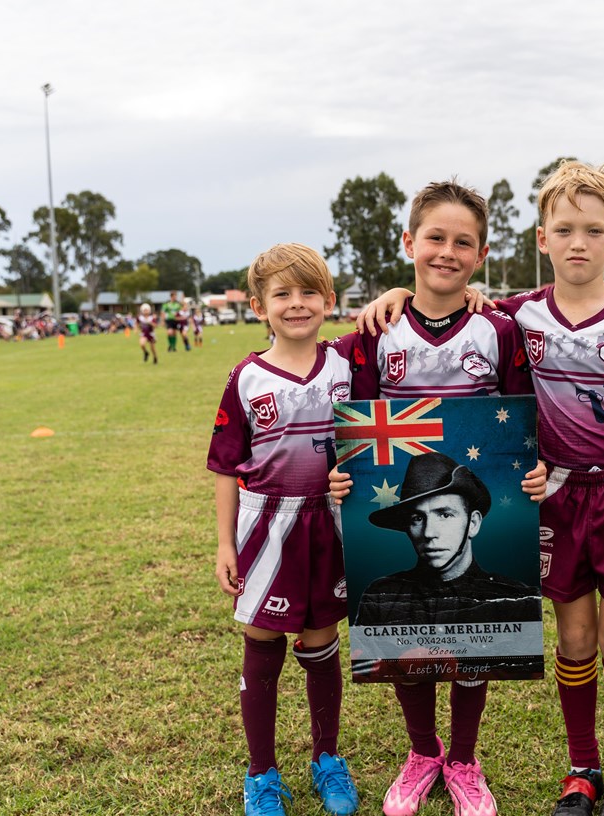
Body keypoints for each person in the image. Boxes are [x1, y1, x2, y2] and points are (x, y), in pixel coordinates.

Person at [361, 161, 604, 816]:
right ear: (542, 239)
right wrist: (396, 295)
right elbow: (446, 301)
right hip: (555, 495)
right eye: (564, 230)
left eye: (594, 231)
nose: (579, 242)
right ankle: (581, 770)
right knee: (573, 639)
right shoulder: (516, 316)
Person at [330, 179, 546, 816]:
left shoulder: (499, 330)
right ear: (409, 242)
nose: (447, 252)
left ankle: (465, 760)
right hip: (411, 494)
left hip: (470, 500)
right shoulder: (377, 331)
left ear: (481, 254)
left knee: (476, 641)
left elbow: (520, 426)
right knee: (408, 637)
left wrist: (533, 471)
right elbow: (350, 421)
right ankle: (423, 751)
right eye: (435, 238)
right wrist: (340, 472)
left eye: (462, 242)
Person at [208, 244, 360, 816]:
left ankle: (327, 759)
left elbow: (399, 313)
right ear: (258, 306)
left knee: (321, 639)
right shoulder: (246, 377)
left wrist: (396, 293)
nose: (297, 304)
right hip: (266, 527)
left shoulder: (347, 362)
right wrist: (225, 543)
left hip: (331, 522)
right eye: (282, 294)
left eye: (308, 292)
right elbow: (226, 465)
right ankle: (261, 773)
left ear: (329, 300)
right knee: (263, 639)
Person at [355, 452, 541, 628]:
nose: (429, 533)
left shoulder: (518, 600)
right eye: (417, 518)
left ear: (473, 523)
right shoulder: (381, 598)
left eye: (445, 514)